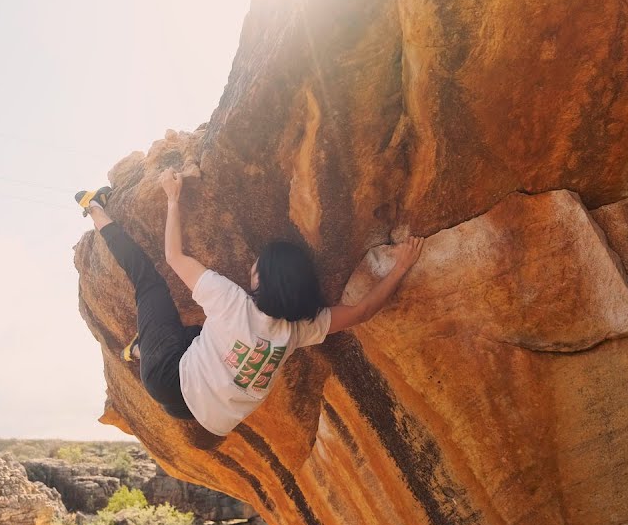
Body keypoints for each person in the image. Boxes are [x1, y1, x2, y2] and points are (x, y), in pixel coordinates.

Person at [76, 169, 425, 438]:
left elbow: (173, 255)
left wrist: (172, 197)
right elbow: (364, 311)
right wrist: (402, 267)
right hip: (199, 415)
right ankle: (140, 349)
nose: (251, 266)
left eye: (257, 264)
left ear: (263, 279)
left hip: (168, 375)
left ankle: (92, 206)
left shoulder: (230, 301)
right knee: (201, 333)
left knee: (148, 282)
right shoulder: (300, 329)